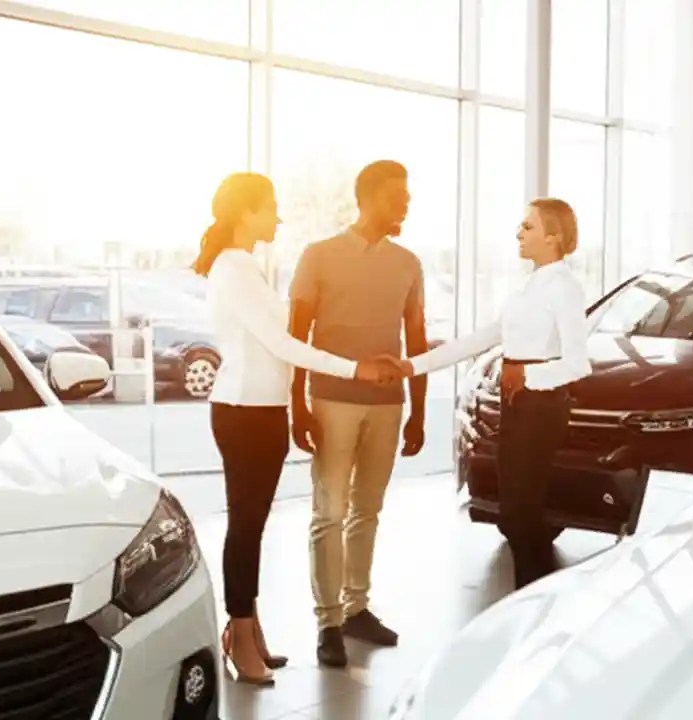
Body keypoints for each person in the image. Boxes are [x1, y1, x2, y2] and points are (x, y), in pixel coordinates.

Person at [194, 172, 400, 686]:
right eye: (270, 208)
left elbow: (277, 341)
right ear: (247, 212)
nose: (278, 218)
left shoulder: (242, 266)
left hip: (258, 409)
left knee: (253, 526)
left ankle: (248, 630)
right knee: (245, 528)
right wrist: (356, 368)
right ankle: (241, 639)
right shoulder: (236, 268)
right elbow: (283, 344)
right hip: (245, 411)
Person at [395, 197, 592, 589]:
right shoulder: (529, 286)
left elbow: (578, 364)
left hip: (541, 406)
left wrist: (526, 378)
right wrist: (413, 365)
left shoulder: (564, 287)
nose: (519, 233)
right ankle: (532, 599)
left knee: (523, 514)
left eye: (528, 227)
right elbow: (486, 336)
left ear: (553, 236)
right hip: (518, 404)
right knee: (514, 514)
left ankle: (537, 601)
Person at [287, 160, 428, 668]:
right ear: (366, 198)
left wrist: (419, 409)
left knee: (368, 509)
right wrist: (296, 406)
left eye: (407, 197)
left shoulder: (409, 262)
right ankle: (328, 622)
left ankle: (357, 608)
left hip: (388, 406)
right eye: (397, 197)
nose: (406, 205)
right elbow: (296, 336)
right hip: (330, 402)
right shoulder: (319, 256)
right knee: (329, 512)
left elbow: (416, 339)